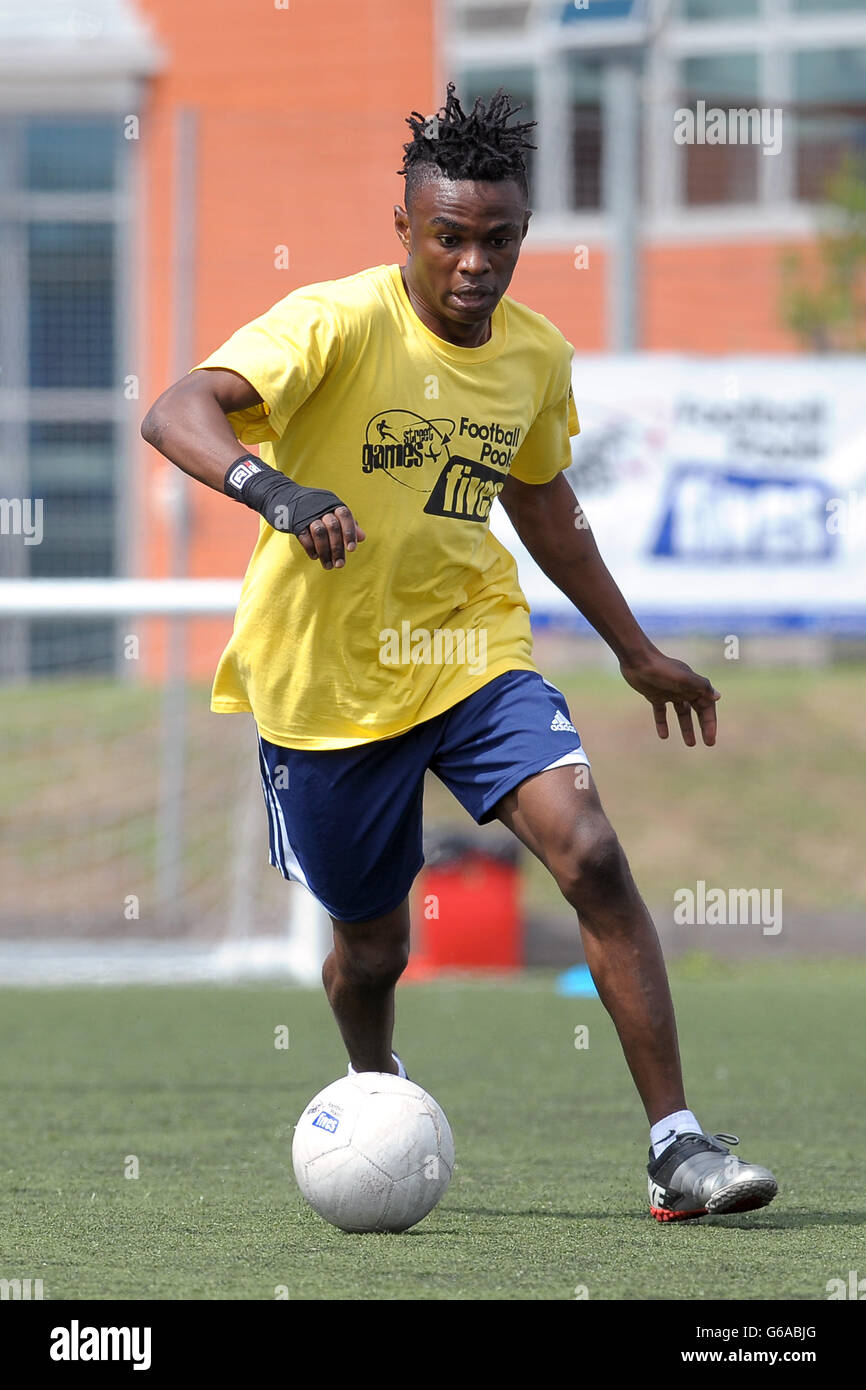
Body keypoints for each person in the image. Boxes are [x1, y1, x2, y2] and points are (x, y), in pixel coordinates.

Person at [141, 82, 777, 1222]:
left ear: (523, 234)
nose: (474, 263)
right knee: (373, 950)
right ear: (405, 228)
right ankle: (374, 1089)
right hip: (326, 685)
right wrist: (272, 488)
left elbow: (543, 506)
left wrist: (633, 649)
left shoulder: (534, 355)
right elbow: (178, 408)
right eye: (449, 237)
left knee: (589, 851)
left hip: (470, 649)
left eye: (499, 239)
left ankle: (676, 1146)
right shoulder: (334, 322)